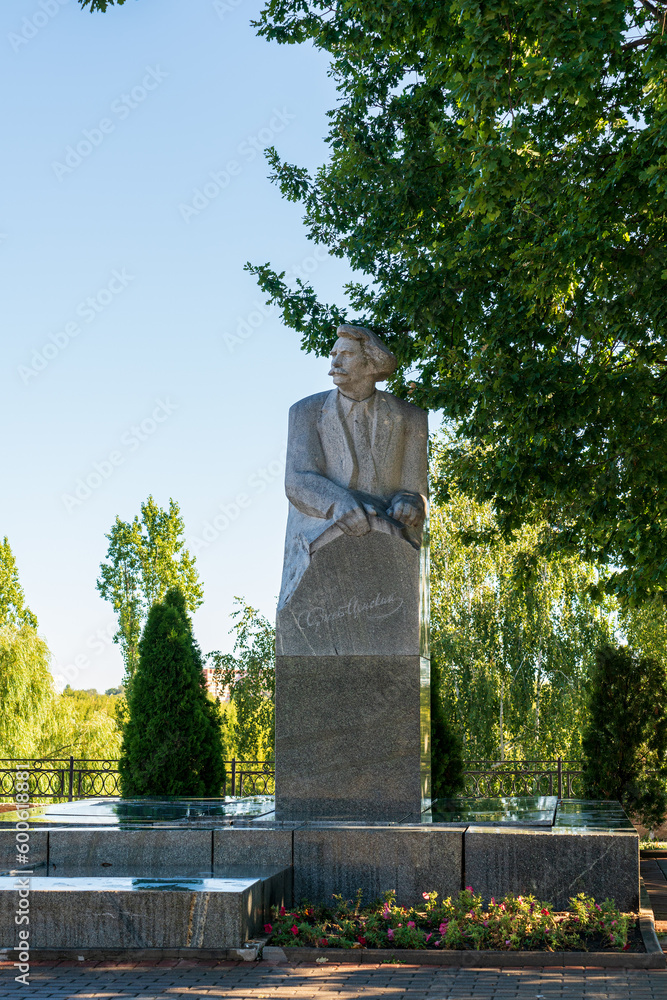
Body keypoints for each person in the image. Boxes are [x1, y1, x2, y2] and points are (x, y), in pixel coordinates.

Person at [278, 324, 428, 608]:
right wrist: (338, 503)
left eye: (346, 354)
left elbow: (417, 490)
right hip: (320, 540)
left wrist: (412, 502)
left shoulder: (411, 417)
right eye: (333, 354)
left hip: (392, 543)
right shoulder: (305, 411)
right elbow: (296, 480)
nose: (334, 363)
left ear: (371, 362)